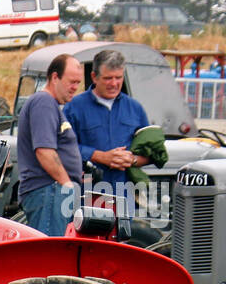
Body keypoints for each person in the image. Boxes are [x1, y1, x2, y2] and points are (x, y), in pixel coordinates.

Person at [64, 48, 152, 207]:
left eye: (118, 77)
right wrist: (99, 156)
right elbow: (63, 148)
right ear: (94, 77)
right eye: (108, 78)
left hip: (124, 196)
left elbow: (151, 151)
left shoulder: (135, 109)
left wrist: (131, 159)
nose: (114, 83)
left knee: (123, 232)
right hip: (85, 195)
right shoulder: (74, 108)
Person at [16, 54, 85, 237]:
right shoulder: (43, 102)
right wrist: (67, 184)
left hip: (52, 193)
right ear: (55, 77)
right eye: (71, 82)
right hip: (50, 192)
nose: (75, 88)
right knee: (51, 258)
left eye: (78, 83)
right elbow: (44, 151)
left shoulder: (49, 105)